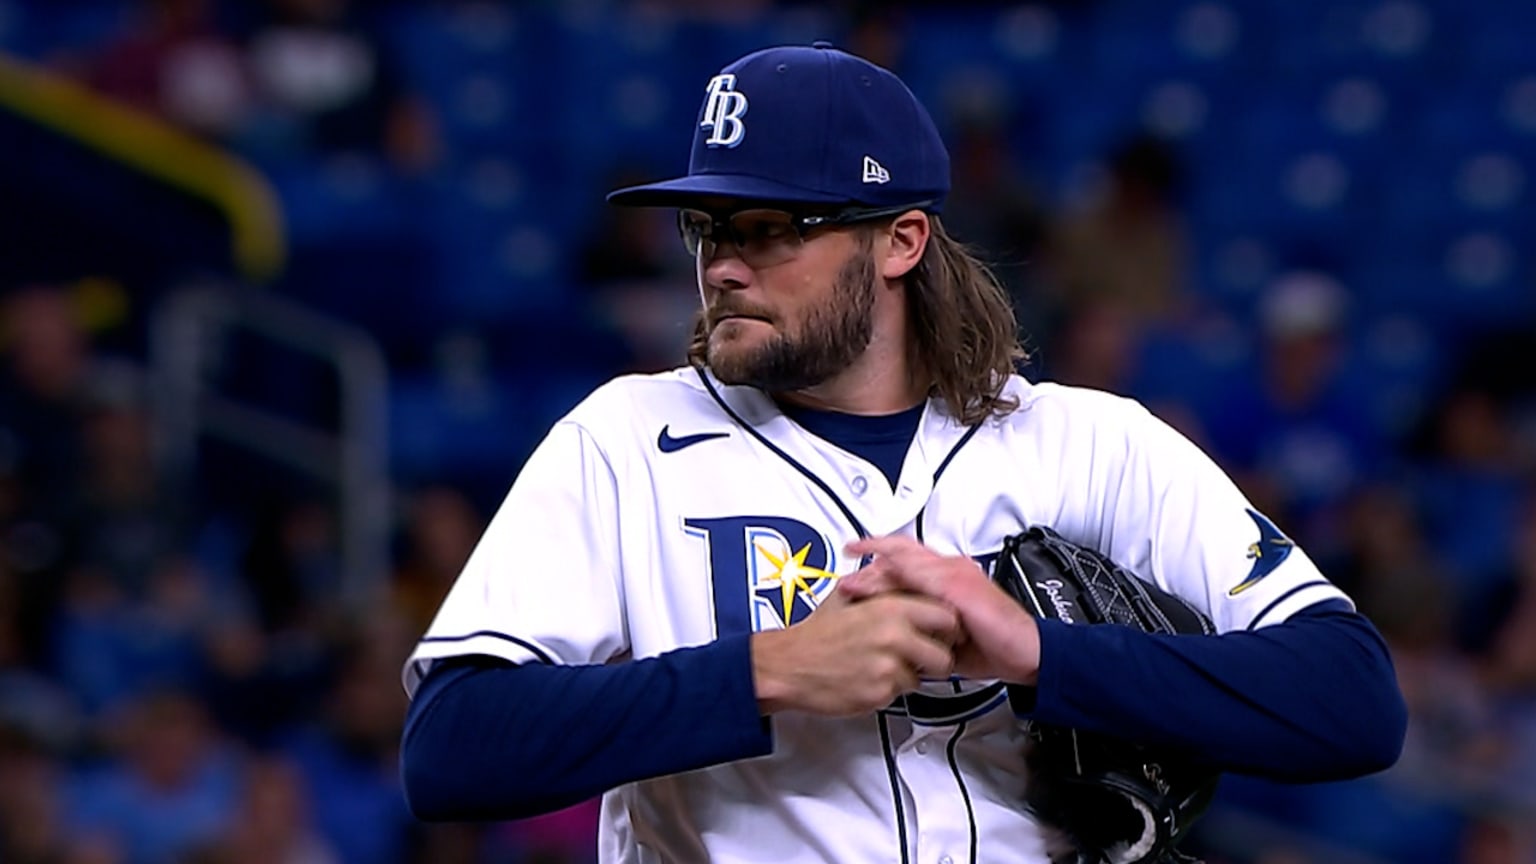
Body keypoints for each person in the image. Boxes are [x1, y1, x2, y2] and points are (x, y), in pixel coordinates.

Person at [399, 43, 1407, 863]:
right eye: (707, 228)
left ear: (903, 241)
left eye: (771, 228)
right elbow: (451, 751)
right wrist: (763, 673)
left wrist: (1042, 655)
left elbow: (1353, 703)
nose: (724, 266)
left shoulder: (1092, 445)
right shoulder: (625, 442)